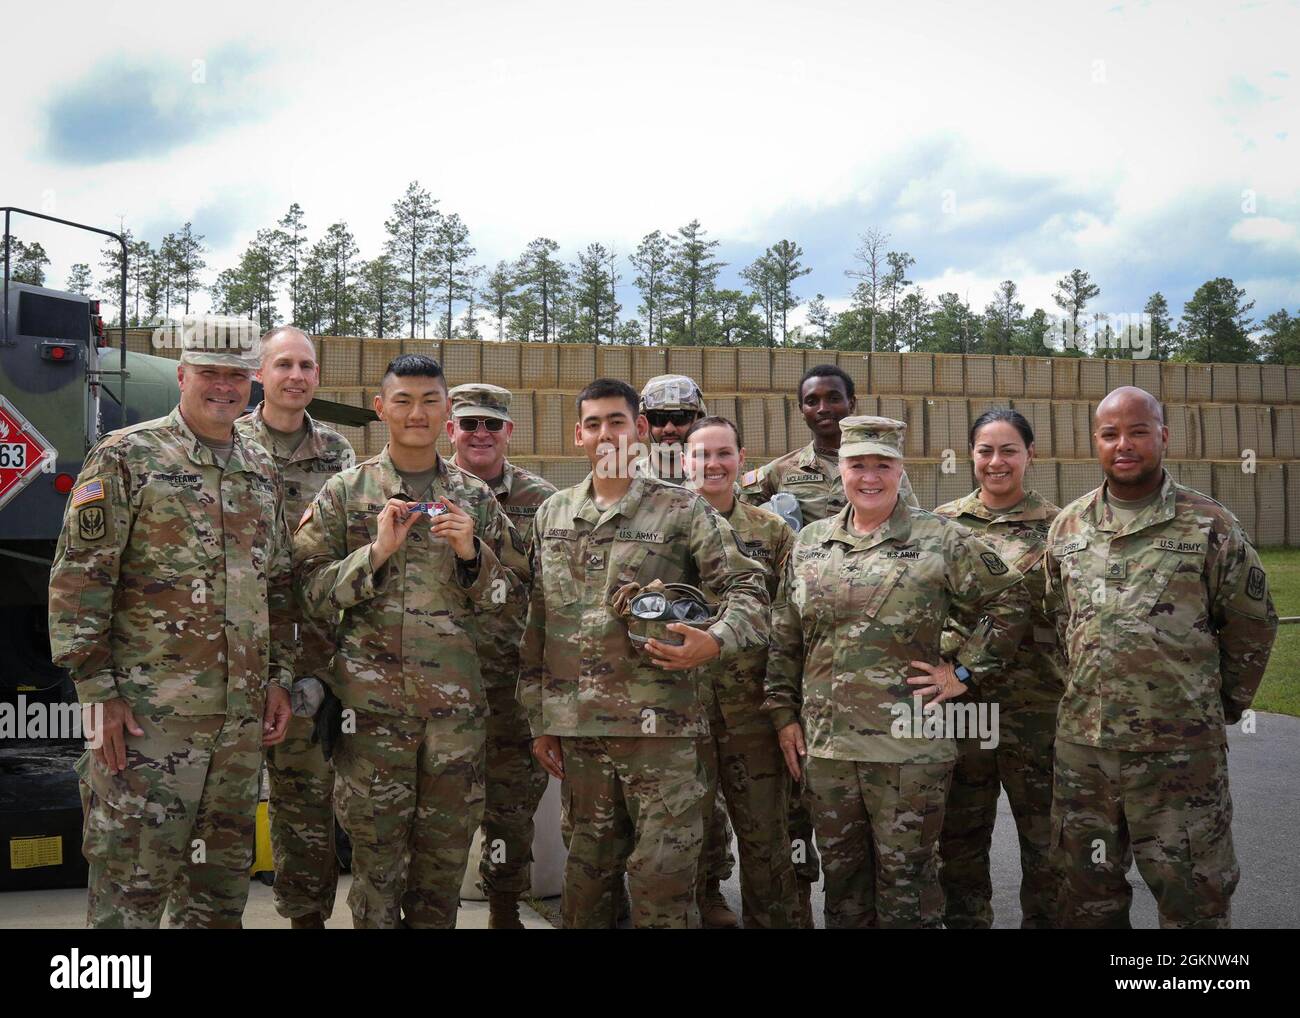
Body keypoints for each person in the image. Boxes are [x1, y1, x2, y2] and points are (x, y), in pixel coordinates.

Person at [48, 322, 295, 928]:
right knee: (129, 892)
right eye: (209, 373)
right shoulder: (127, 456)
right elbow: (80, 579)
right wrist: (97, 692)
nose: (223, 387)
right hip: (146, 724)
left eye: (236, 375)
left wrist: (281, 676)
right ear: (182, 376)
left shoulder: (261, 467)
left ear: (252, 384)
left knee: (217, 898)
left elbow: (280, 583)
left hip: (238, 730)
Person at [518, 378, 769, 929]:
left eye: (617, 421)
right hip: (581, 734)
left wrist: (716, 640)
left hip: (663, 735)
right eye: (593, 423)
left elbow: (749, 592)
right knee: (588, 887)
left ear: (641, 431)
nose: (605, 433)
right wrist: (540, 719)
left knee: (663, 883)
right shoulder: (553, 514)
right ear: (577, 435)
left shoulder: (681, 511)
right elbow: (538, 622)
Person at [293, 354, 527, 929]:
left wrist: (474, 556)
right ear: (381, 409)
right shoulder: (345, 493)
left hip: (454, 717)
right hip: (371, 718)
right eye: (402, 401)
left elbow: (516, 602)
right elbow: (305, 593)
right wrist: (374, 555)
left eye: (429, 401)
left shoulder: (474, 498)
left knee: (442, 865)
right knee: (376, 866)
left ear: (446, 410)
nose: (416, 413)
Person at [766, 416, 1027, 928]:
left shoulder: (939, 539)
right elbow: (786, 634)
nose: (869, 477)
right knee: (843, 885)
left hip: (910, 750)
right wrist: (782, 714)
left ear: (899, 469)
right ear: (839, 469)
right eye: (857, 464)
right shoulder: (812, 542)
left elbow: (1011, 599)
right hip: (828, 749)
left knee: (908, 884)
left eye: (881, 465)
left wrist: (963, 672)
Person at [1045, 386, 1277, 929]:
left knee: (1192, 893)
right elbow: (1061, 619)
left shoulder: (1210, 525)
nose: (1123, 444)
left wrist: (1218, 705)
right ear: (1095, 443)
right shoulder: (1068, 528)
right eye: (1110, 434)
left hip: (1179, 753)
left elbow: (1251, 624)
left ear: (1163, 437)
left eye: (1138, 431)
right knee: (1086, 893)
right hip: (1087, 753)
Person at [235, 325, 354, 930]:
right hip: (227, 651)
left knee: (305, 802)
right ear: (260, 373)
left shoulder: (338, 455)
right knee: (220, 807)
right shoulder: (228, 444)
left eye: (307, 366)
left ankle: (306, 918)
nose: (297, 376)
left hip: (309, 653)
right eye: (283, 364)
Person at [932, 408, 1063, 929]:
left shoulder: (1060, 529)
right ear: (971, 455)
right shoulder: (942, 524)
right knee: (959, 835)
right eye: (985, 450)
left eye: (1009, 450)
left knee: (1047, 837)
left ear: (1031, 455)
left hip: (1038, 708)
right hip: (962, 707)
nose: (996, 461)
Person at [446, 382, 557, 929]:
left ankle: (505, 910)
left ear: (509, 431)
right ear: (452, 431)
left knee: (511, 809)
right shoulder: (425, 491)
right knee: (436, 810)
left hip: (511, 680)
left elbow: (552, 588)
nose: (480, 434)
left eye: (492, 424)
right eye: (469, 424)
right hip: (439, 681)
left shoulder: (543, 501)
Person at [682, 415, 801, 928]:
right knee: (689, 832)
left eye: (724, 454)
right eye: (702, 455)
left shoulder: (771, 531)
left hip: (752, 708)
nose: (713, 464)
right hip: (681, 709)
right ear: (684, 462)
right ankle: (705, 904)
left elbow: (793, 616)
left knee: (765, 836)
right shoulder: (666, 527)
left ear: (742, 461)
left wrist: (785, 704)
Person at [636, 372, 739, 928]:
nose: (672, 429)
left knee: (717, 794)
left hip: (727, 664)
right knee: (670, 795)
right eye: (660, 419)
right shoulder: (626, 487)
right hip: (657, 671)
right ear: (645, 425)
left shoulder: (733, 483)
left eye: (684, 418)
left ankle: (710, 888)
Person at [637, 373, 707, 484]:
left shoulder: (717, 481)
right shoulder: (626, 482)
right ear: (646, 423)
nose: (669, 429)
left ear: (698, 420)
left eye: (680, 418)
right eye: (658, 419)